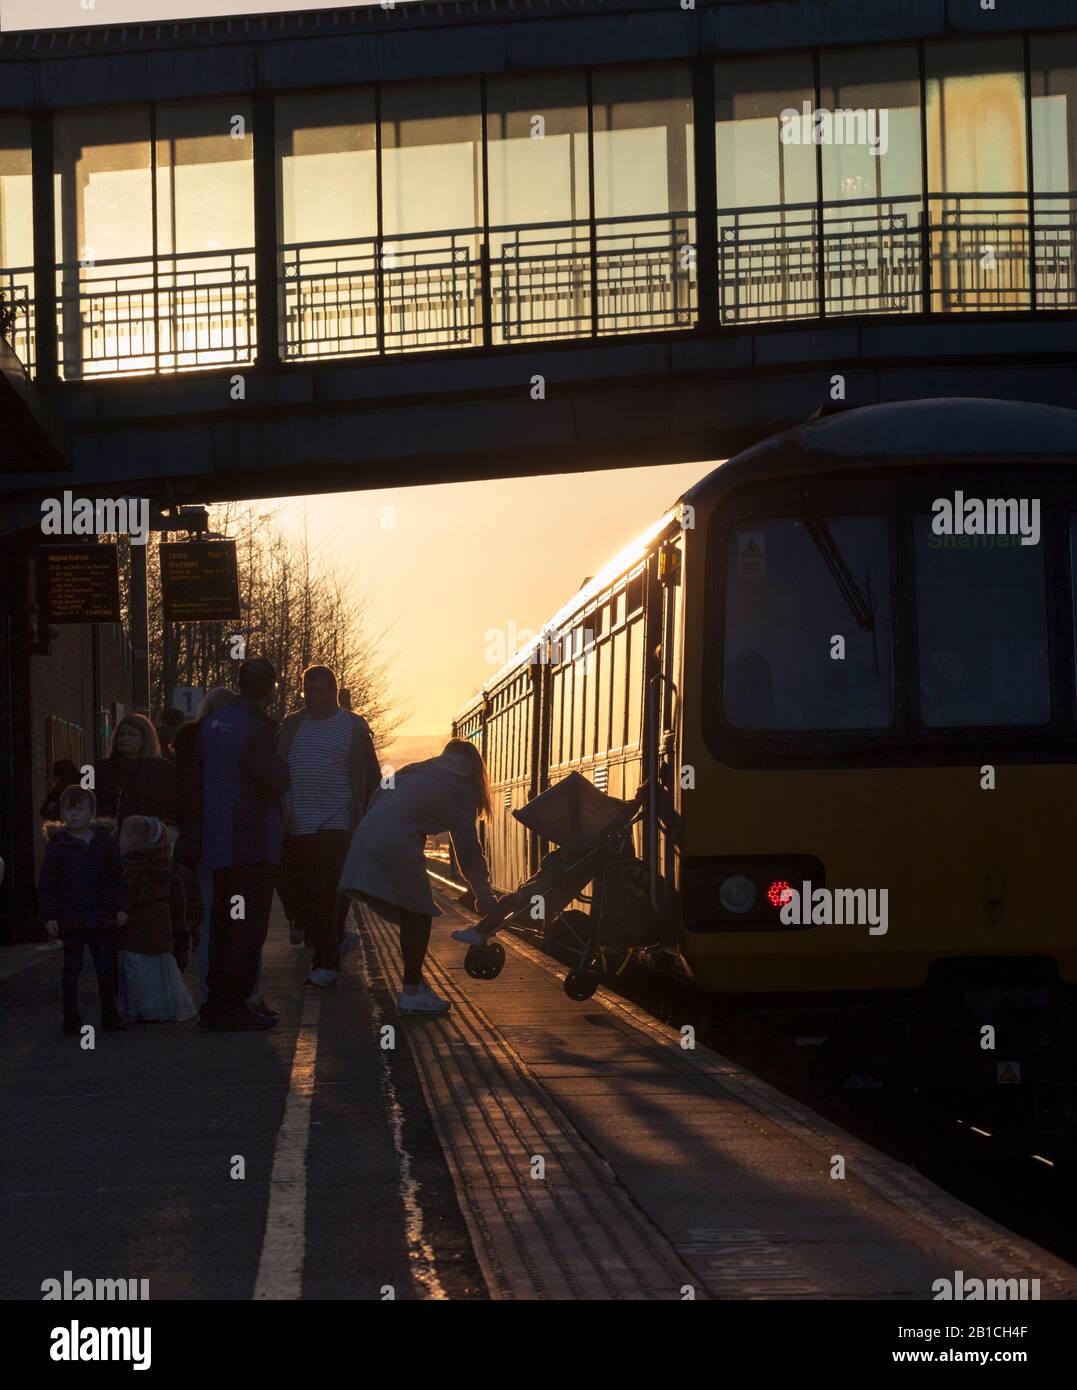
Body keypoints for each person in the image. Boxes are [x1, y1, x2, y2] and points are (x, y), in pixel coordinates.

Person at [339, 738, 499, 1016]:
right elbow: (468, 849)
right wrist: (484, 895)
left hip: (368, 833)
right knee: (419, 913)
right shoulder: (461, 787)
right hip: (395, 840)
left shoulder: (416, 770)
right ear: (474, 767)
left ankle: (415, 984)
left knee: (412, 914)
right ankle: (412, 993)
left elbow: (378, 796)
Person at [199, 658, 290, 1032]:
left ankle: (216, 1003)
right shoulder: (255, 728)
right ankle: (234, 1006)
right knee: (247, 929)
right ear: (272, 689)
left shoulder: (211, 726)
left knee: (223, 925)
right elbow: (276, 779)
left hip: (220, 844)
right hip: (251, 845)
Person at [278, 665, 382, 988]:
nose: (312, 697)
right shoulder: (292, 726)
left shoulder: (353, 728)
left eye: (319, 691)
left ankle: (326, 964)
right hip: (296, 823)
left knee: (323, 891)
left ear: (334, 692)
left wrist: (367, 818)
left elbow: (373, 777)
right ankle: (337, 937)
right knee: (296, 891)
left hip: (337, 822)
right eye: (307, 691)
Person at [38, 786, 128, 1035]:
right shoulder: (57, 845)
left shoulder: (104, 842)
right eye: (69, 810)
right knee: (72, 969)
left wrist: (121, 906)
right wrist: (49, 916)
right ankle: (71, 1016)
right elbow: (47, 883)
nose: (74, 815)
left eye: (80, 810)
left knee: (106, 967)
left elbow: (117, 877)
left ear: (91, 813)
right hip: (72, 917)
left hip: (102, 915)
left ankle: (110, 1013)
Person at [172, 687, 235, 1005]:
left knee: (209, 918)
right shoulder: (233, 741)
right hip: (232, 841)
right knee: (234, 920)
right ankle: (236, 992)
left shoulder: (186, 744)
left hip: (198, 841)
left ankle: (209, 991)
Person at [116, 816, 196, 1023]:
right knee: (159, 972)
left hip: (138, 931)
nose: (119, 838)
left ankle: (141, 1007)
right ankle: (161, 1005)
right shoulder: (162, 870)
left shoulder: (133, 871)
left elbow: (128, 898)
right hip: (159, 929)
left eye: (124, 835)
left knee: (138, 972)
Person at [93, 714, 177, 831]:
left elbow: (172, 804)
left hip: (148, 832)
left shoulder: (162, 768)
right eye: (121, 734)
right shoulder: (98, 767)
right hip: (107, 832)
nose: (125, 738)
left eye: (132, 735)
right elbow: (84, 797)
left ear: (145, 738)